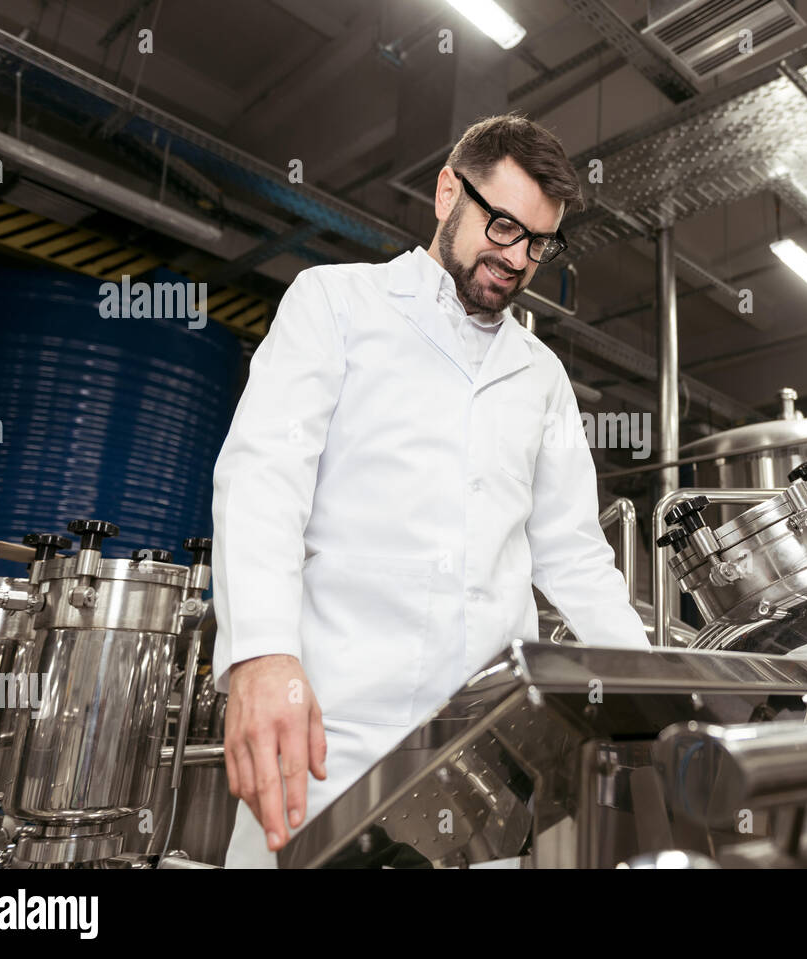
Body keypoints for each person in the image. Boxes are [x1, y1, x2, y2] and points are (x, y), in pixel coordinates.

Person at [211, 114, 651, 868]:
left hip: (486, 759)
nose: (516, 259)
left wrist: (651, 692)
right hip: (331, 740)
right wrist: (259, 656)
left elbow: (573, 552)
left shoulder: (540, 375)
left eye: (538, 244)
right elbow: (263, 480)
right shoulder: (336, 304)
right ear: (449, 191)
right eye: (503, 226)